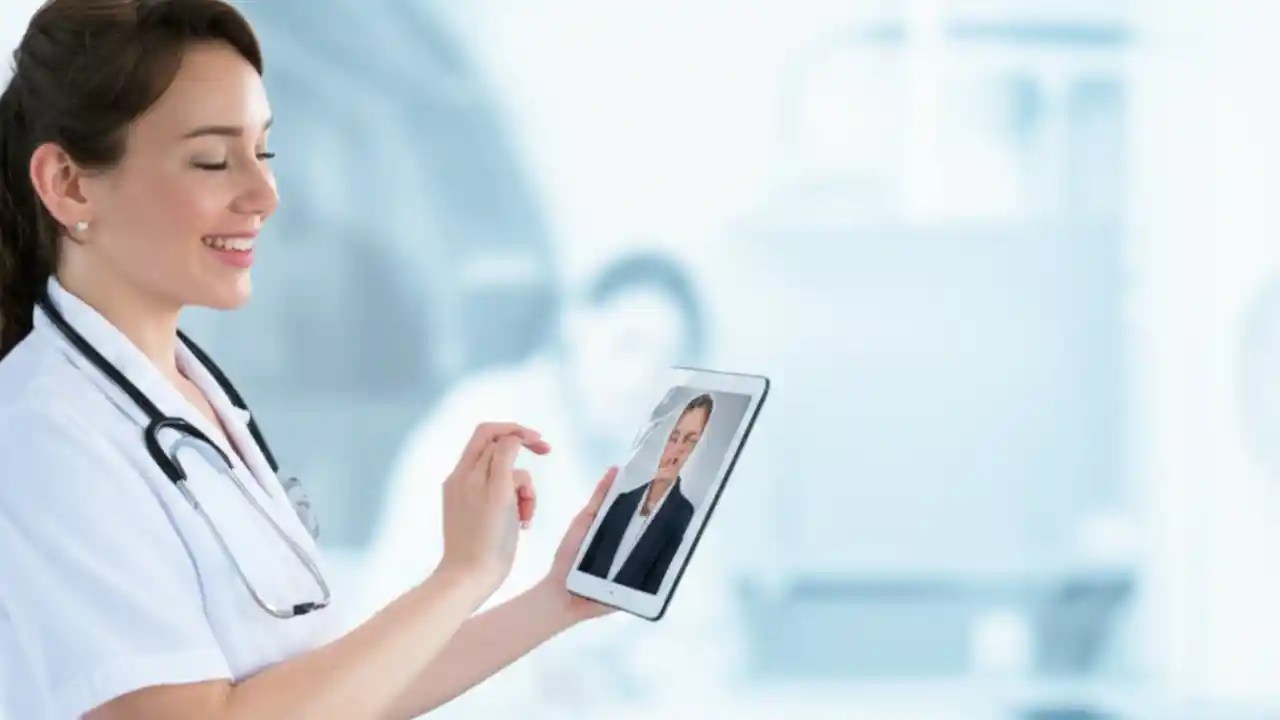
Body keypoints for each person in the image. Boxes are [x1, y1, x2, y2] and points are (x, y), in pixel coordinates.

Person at [0, 2, 621, 718]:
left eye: (264, 153)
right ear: (70, 185)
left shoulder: (192, 398)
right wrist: (460, 573)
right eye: (211, 159)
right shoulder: (44, 434)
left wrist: (555, 599)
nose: (266, 195)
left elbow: (333, 698)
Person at [361, 256, 748, 717]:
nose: (639, 377)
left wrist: (631, 672)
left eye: (666, 363)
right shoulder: (486, 417)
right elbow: (469, 601)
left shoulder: (661, 459)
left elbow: (705, 632)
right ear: (575, 328)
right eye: (628, 344)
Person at [577, 394, 714, 594]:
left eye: (691, 442)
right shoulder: (622, 502)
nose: (677, 450)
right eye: (674, 438)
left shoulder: (685, 515)